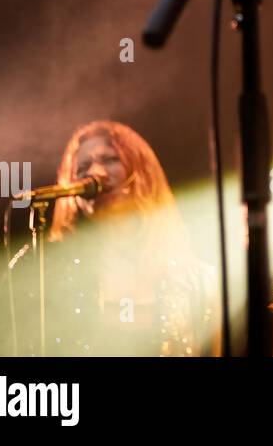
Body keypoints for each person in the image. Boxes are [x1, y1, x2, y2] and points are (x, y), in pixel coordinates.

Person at [11, 120, 217, 356]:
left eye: (110, 159)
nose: (96, 173)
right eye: (83, 167)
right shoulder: (43, 267)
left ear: (140, 172)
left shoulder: (196, 280)